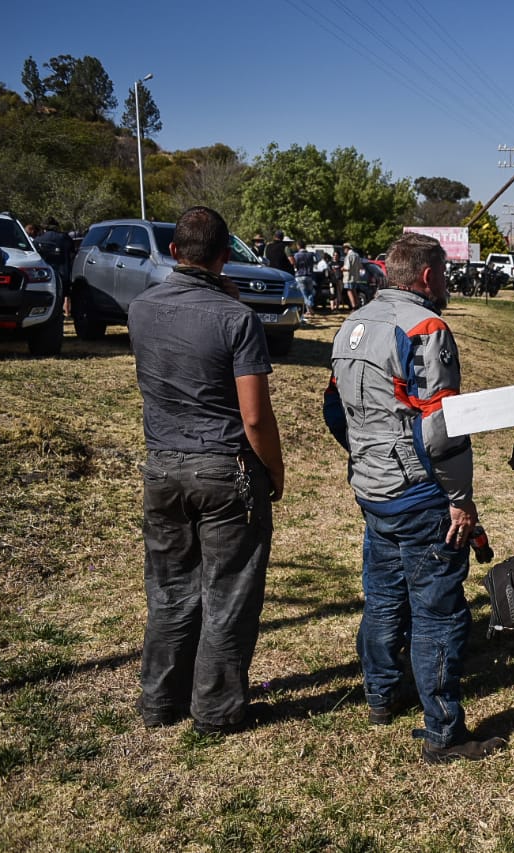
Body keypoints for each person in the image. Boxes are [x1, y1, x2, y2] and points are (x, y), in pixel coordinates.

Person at [325, 232, 505, 764]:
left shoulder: (351, 323)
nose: (447, 285)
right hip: (420, 494)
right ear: (427, 276)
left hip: (372, 489)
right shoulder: (427, 328)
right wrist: (460, 499)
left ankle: (382, 696)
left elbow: (335, 412)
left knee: (383, 596)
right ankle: (444, 733)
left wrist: (369, 455)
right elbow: (441, 425)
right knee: (439, 614)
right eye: (445, 275)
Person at [127, 206, 285, 736]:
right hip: (226, 469)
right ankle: (216, 709)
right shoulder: (237, 319)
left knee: (169, 587)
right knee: (228, 593)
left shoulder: (141, 308)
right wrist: (275, 471)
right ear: (226, 257)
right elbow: (255, 416)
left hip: (162, 466)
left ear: (175, 252)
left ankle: (159, 699)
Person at [35, 218, 74, 316]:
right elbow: (72, 253)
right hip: (63, 273)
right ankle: (59, 315)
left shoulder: (38, 239)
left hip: (44, 276)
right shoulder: (65, 238)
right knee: (60, 297)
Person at [293, 240, 316, 317]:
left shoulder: (296, 255)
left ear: (298, 246)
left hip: (299, 275)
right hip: (309, 275)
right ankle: (309, 309)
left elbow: (295, 265)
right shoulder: (310, 255)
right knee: (311, 292)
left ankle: (309, 305)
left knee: (304, 294)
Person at [340, 242, 362, 310]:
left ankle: (353, 306)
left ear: (347, 248)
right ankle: (358, 304)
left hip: (348, 277)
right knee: (354, 291)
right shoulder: (357, 255)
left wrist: (342, 268)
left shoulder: (348, 256)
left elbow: (347, 267)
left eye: (344, 249)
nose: (344, 250)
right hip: (355, 277)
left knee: (349, 291)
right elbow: (360, 266)